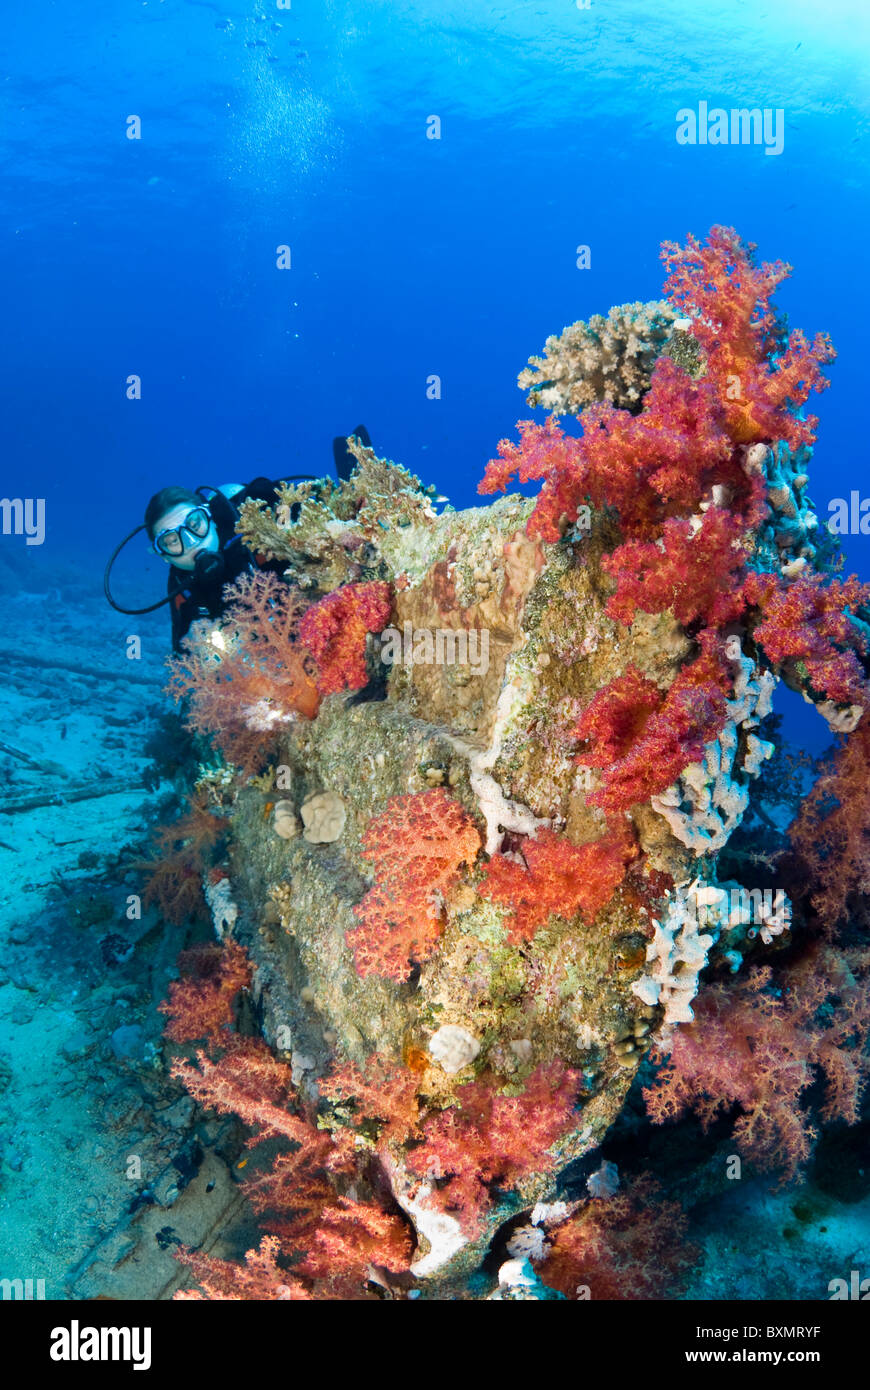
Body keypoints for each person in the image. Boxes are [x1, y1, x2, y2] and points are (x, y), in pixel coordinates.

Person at [113, 426, 371, 650]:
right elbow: (184, 654)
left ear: (210, 517)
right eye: (172, 541)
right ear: (164, 556)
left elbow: (319, 513)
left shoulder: (250, 516)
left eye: (195, 525)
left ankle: (361, 482)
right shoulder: (184, 588)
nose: (191, 543)